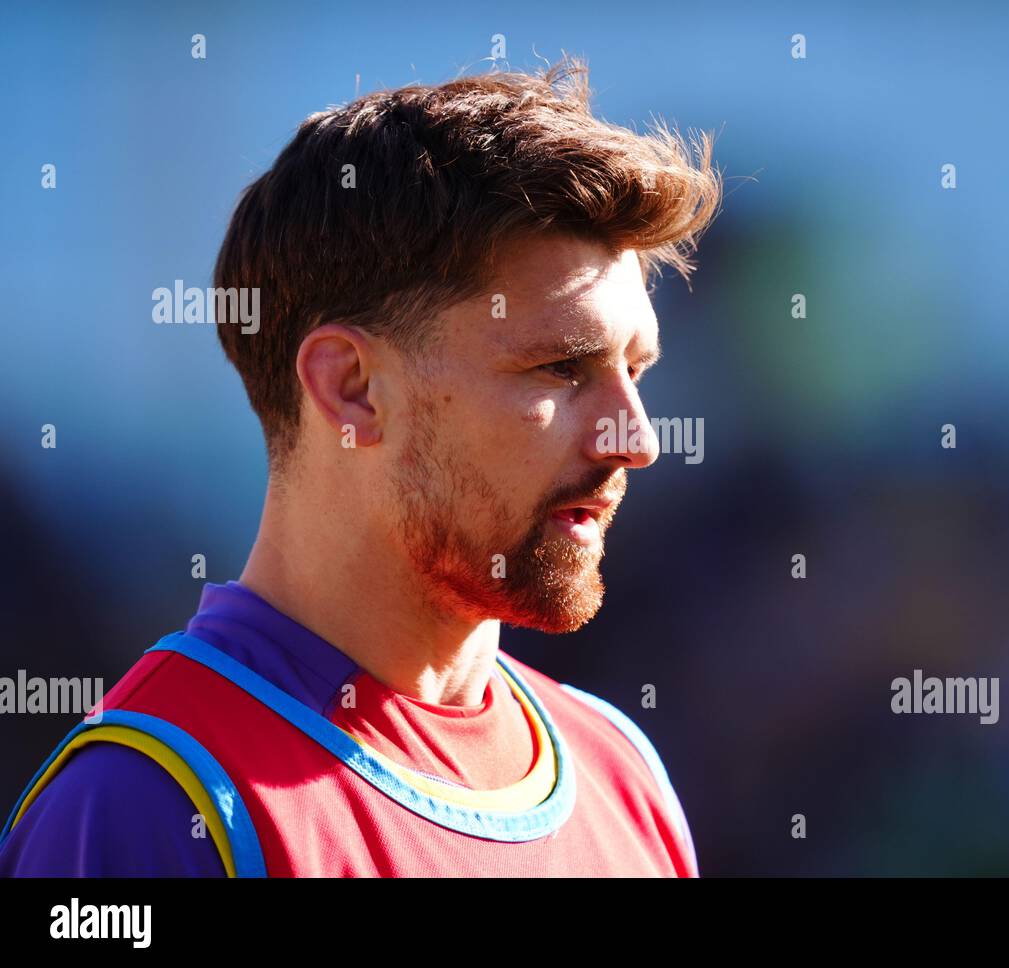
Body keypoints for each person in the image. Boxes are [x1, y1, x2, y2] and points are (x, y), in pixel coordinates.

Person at [0, 56, 721, 876]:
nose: (636, 436)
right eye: (562, 368)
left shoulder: (620, 773)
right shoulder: (151, 806)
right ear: (351, 390)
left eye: (640, 370)